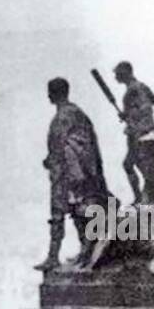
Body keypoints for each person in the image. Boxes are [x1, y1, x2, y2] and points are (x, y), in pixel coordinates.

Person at [38, 78, 111, 271]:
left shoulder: (66, 115)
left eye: (50, 91)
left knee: (65, 213)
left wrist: (52, 161)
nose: (48, 95)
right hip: (74, 172)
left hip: (70, 174)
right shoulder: (75, 113)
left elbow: (61, 145)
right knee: (76, 212)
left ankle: (58, 256)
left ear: (54, 93)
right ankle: (82, 251)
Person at [113, 62, 154, 204]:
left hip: (139, 133)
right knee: (134, 164)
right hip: (142, 132)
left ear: (126, 73)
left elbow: (145, 108)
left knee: (135, 164)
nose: (116, 76)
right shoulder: (139, 87)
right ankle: (146, 194)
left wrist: (130, 118)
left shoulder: (134, 90)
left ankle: (144, 195)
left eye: (118, 73)